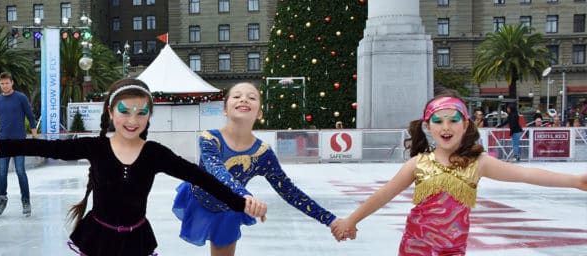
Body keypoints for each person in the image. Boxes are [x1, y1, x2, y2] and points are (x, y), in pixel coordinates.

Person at [0, 79, 265, 255]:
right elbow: (46, 148)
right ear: (111, 113)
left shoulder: (154, 153)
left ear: (149, 115)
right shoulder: (95, 147)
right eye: (124, 111)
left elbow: (201, 177)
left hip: (137, 242)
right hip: (98, 240)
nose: (132, 120)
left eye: (141, 112)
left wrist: (240, 202)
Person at [331, 94, 587, 255]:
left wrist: (575, 181)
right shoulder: (418, 163)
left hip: (452, 248)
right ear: (428, 126)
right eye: (438, 121)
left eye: (453, 120)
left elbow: (525, 174)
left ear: (465, 125)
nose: (446, 127)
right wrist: (351, 220)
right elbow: (383, 194)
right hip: (415, 246)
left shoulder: (478, 163)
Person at [171, 83, 340, 256]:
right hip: (198, 198)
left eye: (251, 97)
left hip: (229, 210)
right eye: (236, 96)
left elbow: (290, 192)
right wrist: (244, 195)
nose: (244, 99)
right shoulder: (209, 138)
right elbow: (216, 169)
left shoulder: (263, 153)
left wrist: (330, 220)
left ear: (259, 113)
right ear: (225, 109)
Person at [0, 72, 38, 217]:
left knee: (20, 171)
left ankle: (26, 201)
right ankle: (2, 199)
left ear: (12, 83)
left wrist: (35, 136)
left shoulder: (21, 98)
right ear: (0, 84)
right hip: (3, 141)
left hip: (19, 141)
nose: (4, 86)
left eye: (7, 83)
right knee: (2, 173)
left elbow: (31, 117)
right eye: (2, 83)